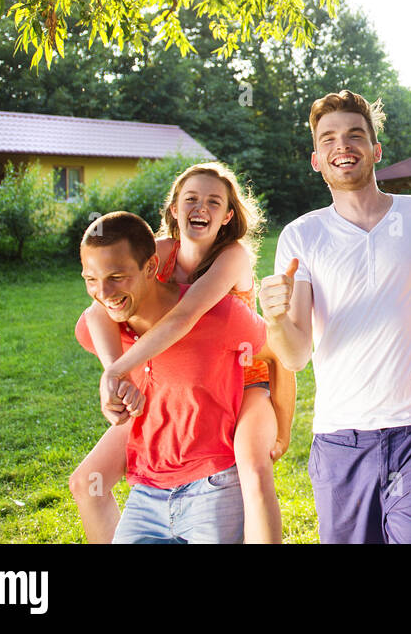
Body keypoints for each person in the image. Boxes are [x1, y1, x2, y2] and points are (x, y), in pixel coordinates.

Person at [258, 89, 411, 544]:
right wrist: (275, 319)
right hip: (341, 441)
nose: (343, 145)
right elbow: (294, 355)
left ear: (376, 149)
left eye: (355, 134)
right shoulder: (301, 236)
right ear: (316, 159)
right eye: (329, 138)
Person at [69, 162, 295, 544]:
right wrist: (116, 373)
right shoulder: (160, 252)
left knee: (254, 470)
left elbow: (186, 316)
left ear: (227, 216)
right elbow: (97, 309)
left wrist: (284, 430)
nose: (200, 207)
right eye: (190, 199)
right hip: (182, 384)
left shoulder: (233, 256)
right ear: (173, 209)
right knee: (85, 482)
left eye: (212, 201)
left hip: (244, 377)